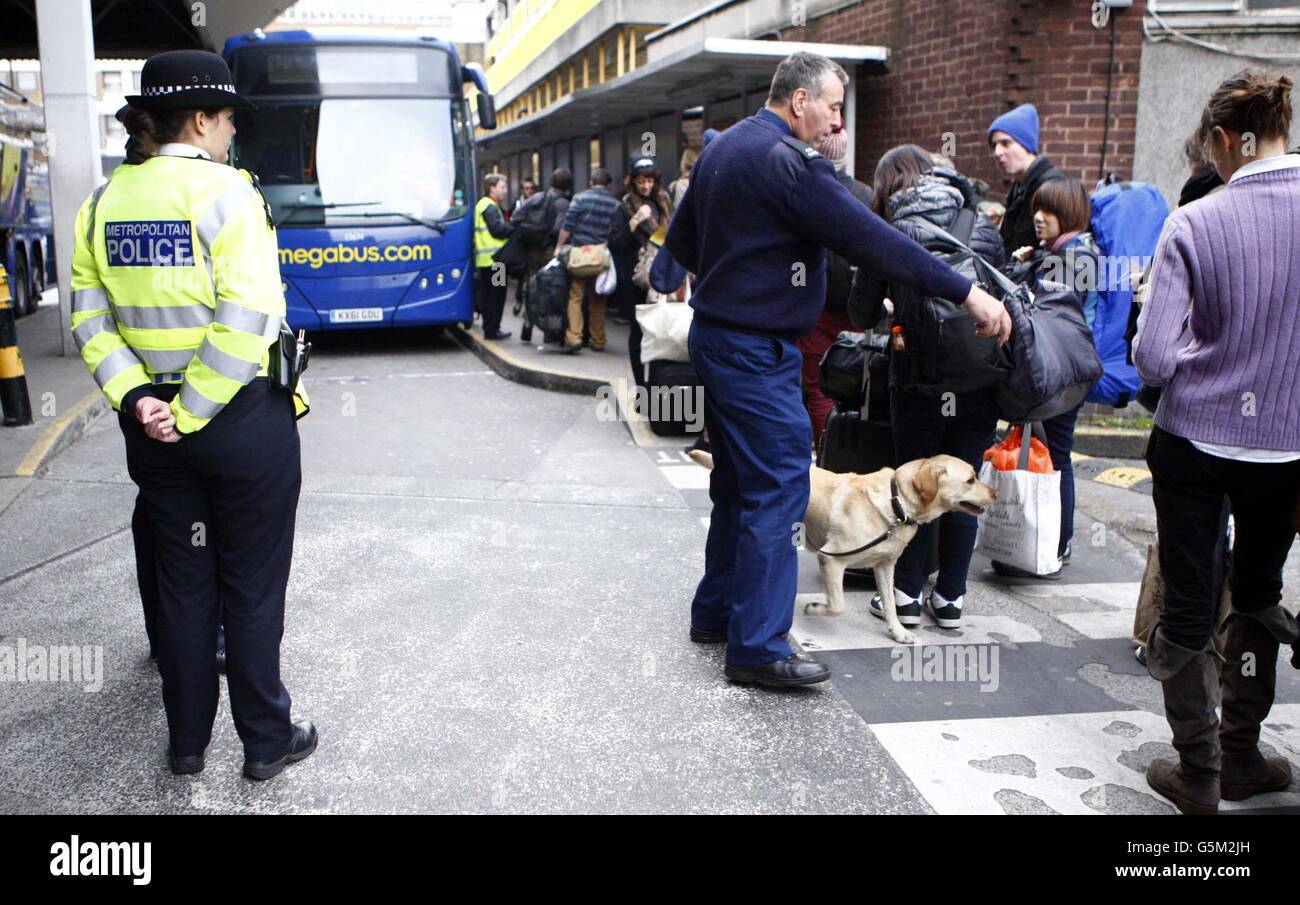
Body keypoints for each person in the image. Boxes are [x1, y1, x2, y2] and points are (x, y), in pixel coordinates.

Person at [665, 51, 1010, 688]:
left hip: (716, 339)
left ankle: (717, 615)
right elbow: (877, 241)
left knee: (738, 486)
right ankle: (759, 648)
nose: (835, 124)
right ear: (800, 101)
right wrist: (968, 293)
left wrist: (739, 270)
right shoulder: (792, 165)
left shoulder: (723, 149)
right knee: (779, 489)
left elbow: (681, 245)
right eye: (831, 108)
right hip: (757, 350)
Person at [70, 49, 315, 779]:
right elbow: (246, 317)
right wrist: (196, 408)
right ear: (202, 118)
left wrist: (144, 401)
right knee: (250, 582)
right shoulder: (228, 194)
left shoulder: (103, 202)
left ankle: (186, 743)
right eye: (229, 117)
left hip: (152, 430)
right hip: (239, 420)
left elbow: (91, 321)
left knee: (183, 584)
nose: (232, 131)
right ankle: (266, 740)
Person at [1133, 70, 1300, 815]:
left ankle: (1195, 772)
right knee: (1259, 596)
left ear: (1229, 140)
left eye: (1214, 149)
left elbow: (1153, 359)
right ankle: (1241, 755)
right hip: (1287, 446)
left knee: (1192, 603)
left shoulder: (1195, 223)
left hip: (1194, 440)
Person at [848, 145, 1007, 631]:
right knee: (966, 484)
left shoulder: (889, 233)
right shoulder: (979, 222)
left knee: (915, 485)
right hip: (980, 379)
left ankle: (905, 595)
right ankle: (952, 597)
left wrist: (896, 309)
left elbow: (860, 313)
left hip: (918, 380)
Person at [994, 177, 1103, 580]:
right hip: (1063, 366)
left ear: (1069, 214)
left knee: (1056, 452)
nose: (1038, 218)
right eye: (1037, 209)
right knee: (1048, 448)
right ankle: (1046, 538)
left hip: (1063, 369)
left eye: (1049, 211)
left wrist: (1025, 268)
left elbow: (1043, 307)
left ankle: (1056, 541)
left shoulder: (1075, 258)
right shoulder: (1065, 253)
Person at [796, 127, 871, 450]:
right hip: (858, 308)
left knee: (818, 389)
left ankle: (824, 455)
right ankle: (847, 455)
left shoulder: (806, 188)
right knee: (856, 387)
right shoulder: (865, 194)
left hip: (816, 307)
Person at [611, 157, 674, 377]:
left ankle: (660, 383)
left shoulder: (664, 203)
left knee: (662, 332)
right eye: (641, 182)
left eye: (650, 181)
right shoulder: (624, 207)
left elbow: (672, 237)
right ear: (632, 182)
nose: (646, 186)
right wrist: (634, 223)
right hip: (636, 278)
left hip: (663, 276)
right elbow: (616, 246)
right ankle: (642, 390)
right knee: (638, 333)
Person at [555, 167, 619, 354]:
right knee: (598, 299)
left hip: (579, 255)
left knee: (575, 297)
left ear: (591, 182)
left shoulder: (579, 198)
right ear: (609, 185)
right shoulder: (613, 204)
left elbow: (568, 226)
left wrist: (559, 246)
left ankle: (574, 337)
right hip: (600, 256)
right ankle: (598, 340)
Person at [987, 103, 1062, 258]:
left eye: (1006, 143)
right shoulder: (1019, 186)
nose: (997, 152)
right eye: (994, 145)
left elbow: (1058, 249)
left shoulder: (1051, 186)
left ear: (1026, 144)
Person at [473, 173, 515, 341]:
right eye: (502, 187)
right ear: (492, 188)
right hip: (497, 262)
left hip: (485, 260)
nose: (505, 191)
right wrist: (514, 226)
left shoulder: (482, 205)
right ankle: (492, 329)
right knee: (497, 296)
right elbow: (497, 230)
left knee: (488, 295)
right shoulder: (489, 207)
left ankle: (489, 327)